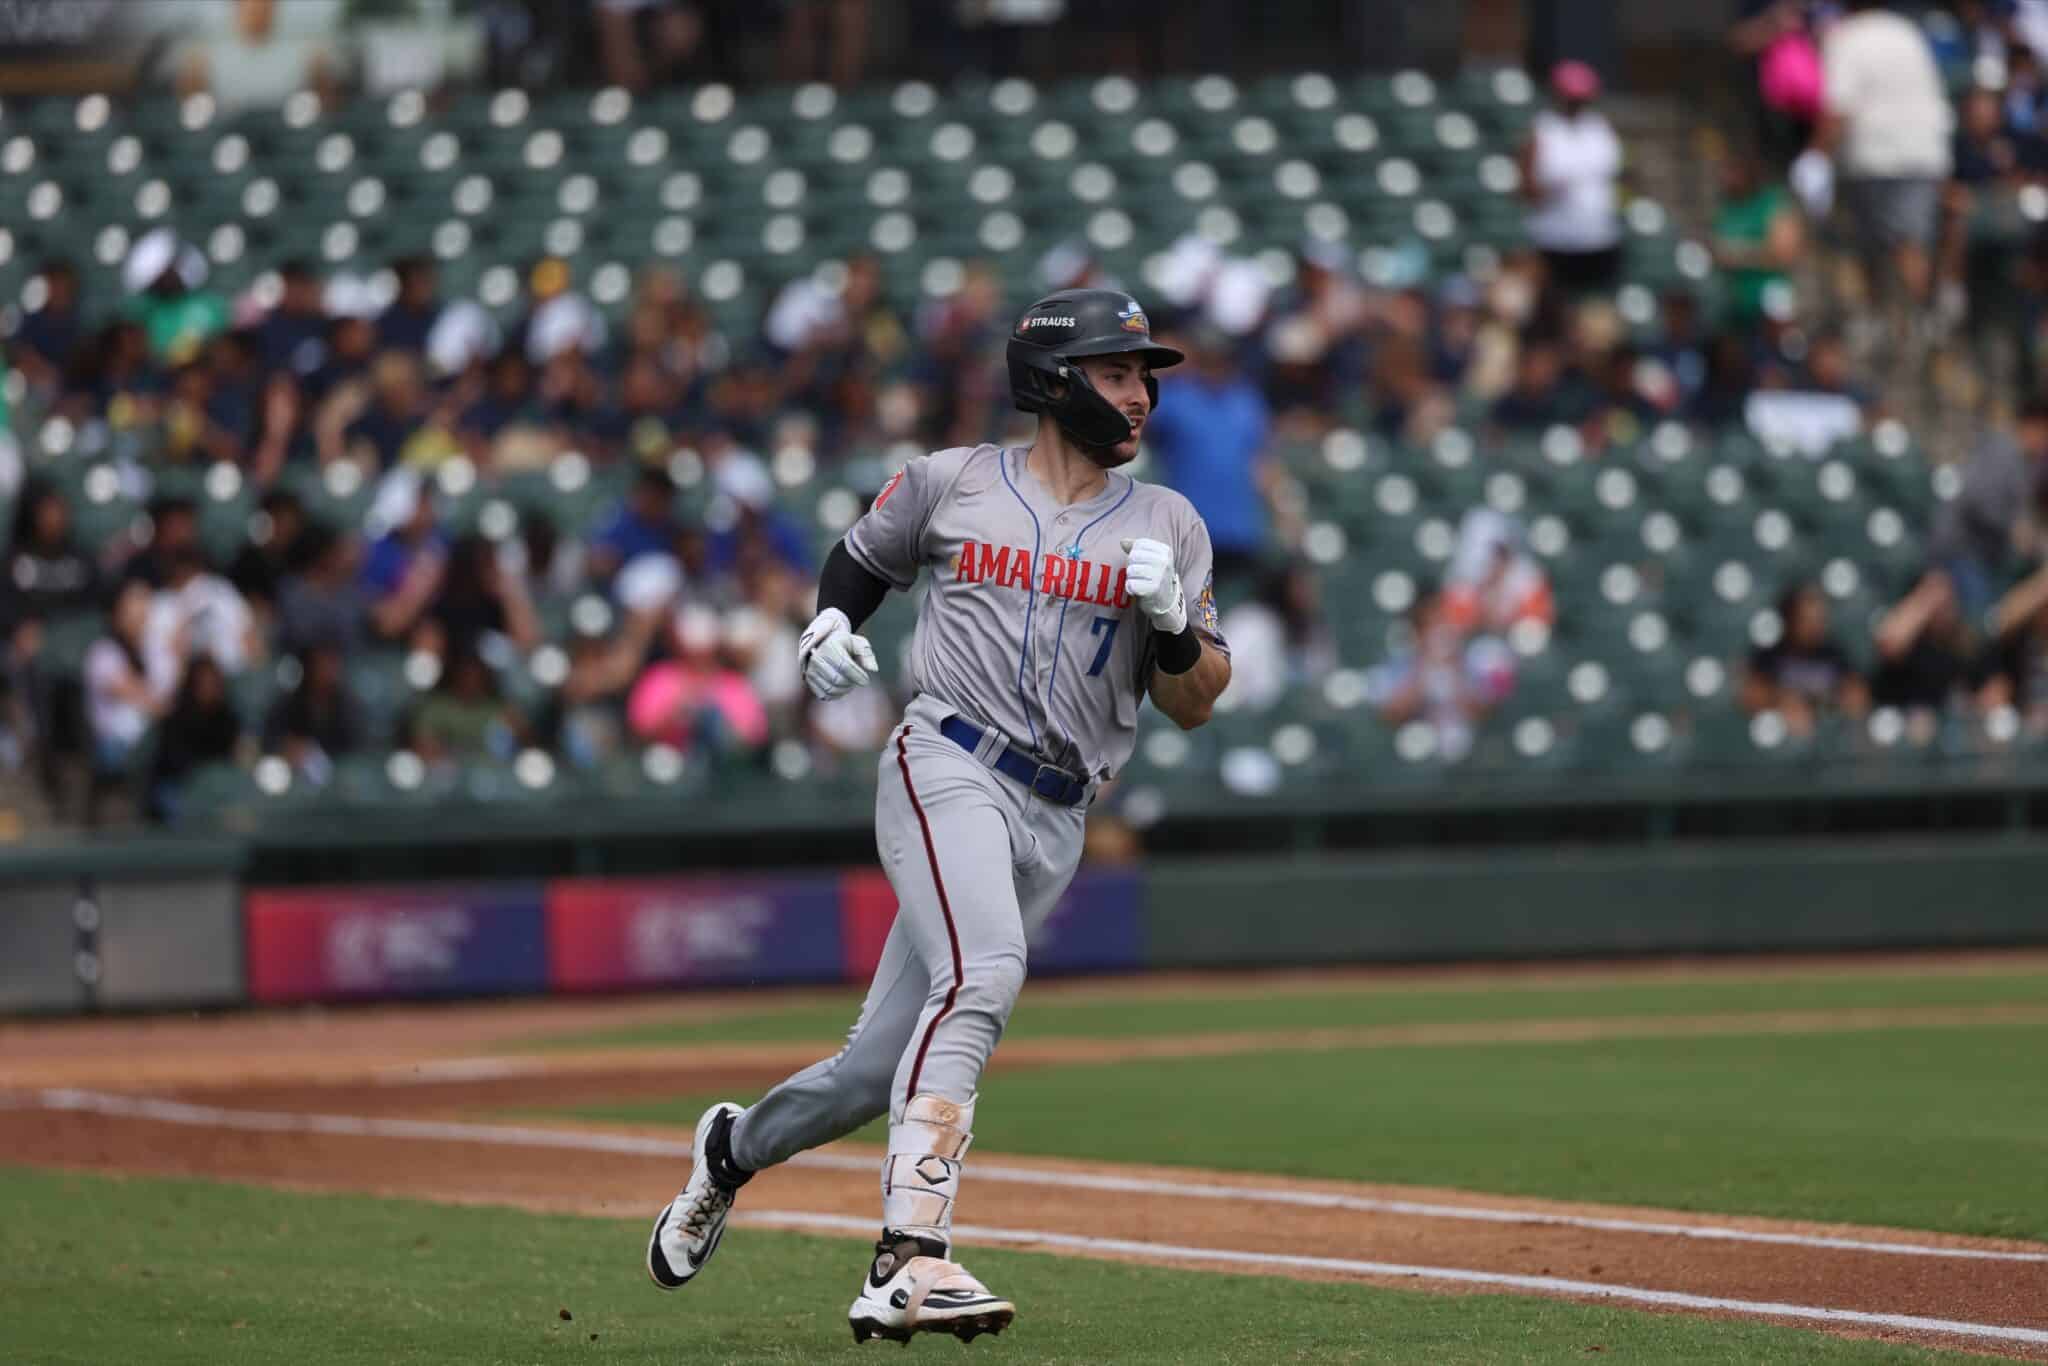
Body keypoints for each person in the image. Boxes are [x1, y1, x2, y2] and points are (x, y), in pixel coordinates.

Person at [645, 289, 1230, 1343]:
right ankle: (908, 1256)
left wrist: (1175, 626)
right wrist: (825, 623)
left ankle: (730, 1150)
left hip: (1057, 812)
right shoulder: (952, 480)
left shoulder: (1168, 525)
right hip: (946, 760)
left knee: (873, 1070)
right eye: (1114, 370)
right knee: (982, 971)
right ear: (1052, 382)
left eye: (1143, 374)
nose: (1139, 392)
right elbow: (863, 559)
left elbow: (1195, 701)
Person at [1811, 0, 1954, 309]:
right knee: (1912, 246)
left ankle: (1880, 322)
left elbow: (1839, 109)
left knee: (1868, 250)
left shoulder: (1846, 37)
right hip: (1925, 155)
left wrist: (1816, 156)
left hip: (1874, 158)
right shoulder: (1908, 32)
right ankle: (1923, 325)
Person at [1139, 328, 1273, 587]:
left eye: (1221, 356)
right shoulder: (1175, 397)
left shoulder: (1247, 400)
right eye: (1208, 356)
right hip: (1187, 530)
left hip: (1239, 531)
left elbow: (1263, 465)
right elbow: (1137, 429)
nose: (1215, 363)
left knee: (1233, 618)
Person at [1519, 61, 1625, 300]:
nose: (1577, 103)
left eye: (1581, 97)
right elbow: (1525, 188)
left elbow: (1618, 177)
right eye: (1571, 96)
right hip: (1555, 241)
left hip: (1599, 238)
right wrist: (1550, 191)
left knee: (1595, 308)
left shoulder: (1601, 129)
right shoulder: (1542, 130)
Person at [1742, 582, 1870, 734]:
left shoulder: (1834, 653)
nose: (1815, 626)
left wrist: (1823, 702)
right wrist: (1780, 700)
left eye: (1819, 620)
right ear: (1790, 619)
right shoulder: (1770, 653)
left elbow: (1858, 698)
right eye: (1807, 620)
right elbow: (1749, 695)